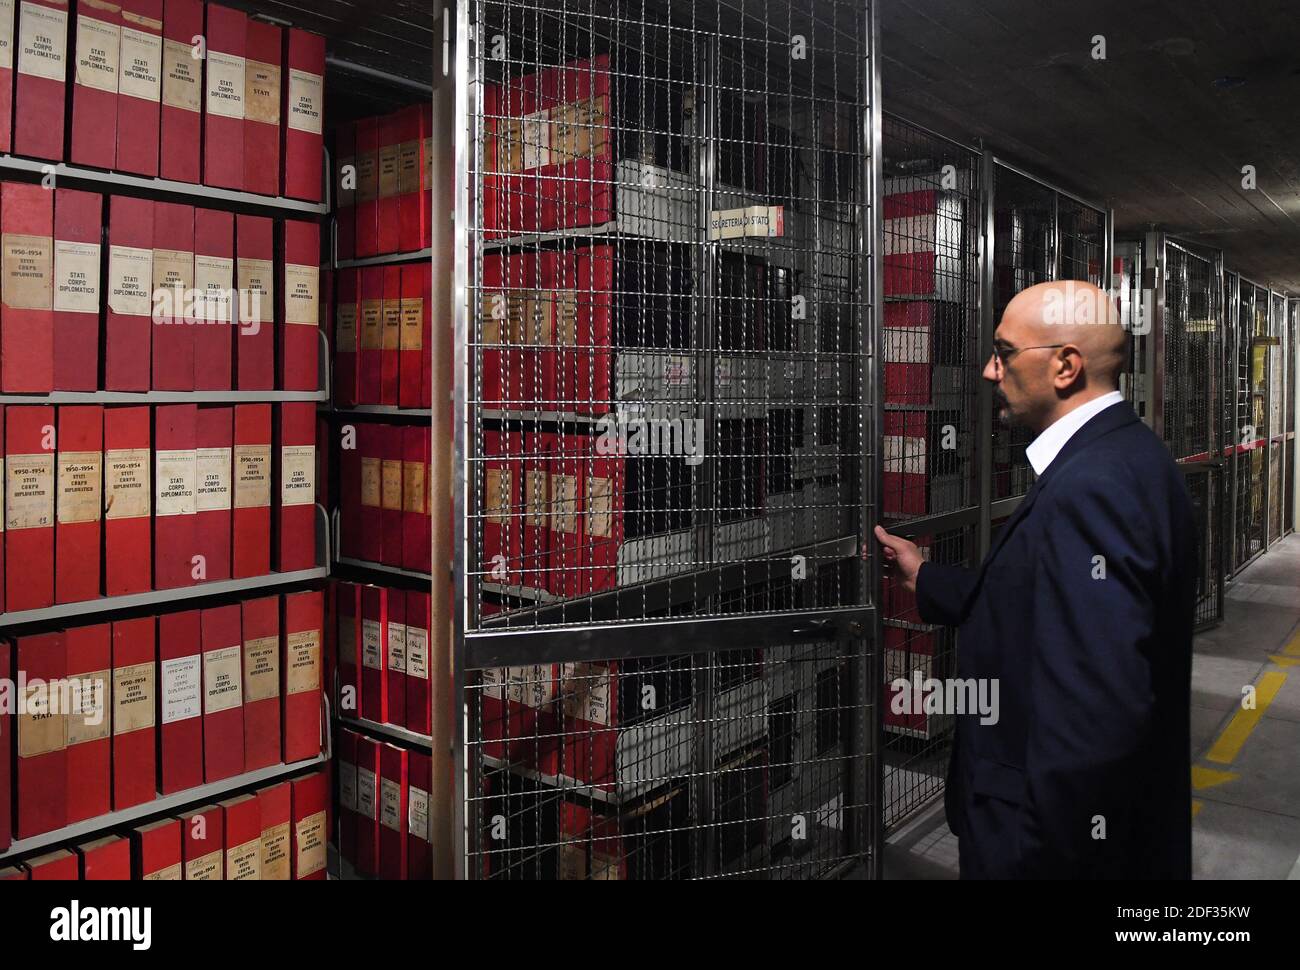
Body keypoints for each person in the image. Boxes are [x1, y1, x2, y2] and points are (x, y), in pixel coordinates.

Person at [875, 279, 1197, 879]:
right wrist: (926, 578)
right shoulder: (1130, 458)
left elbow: (1092, 722)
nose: (989, 370)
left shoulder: (1092, 489)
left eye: (1004, 351)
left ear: (1064, 366)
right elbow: (1042, 609)